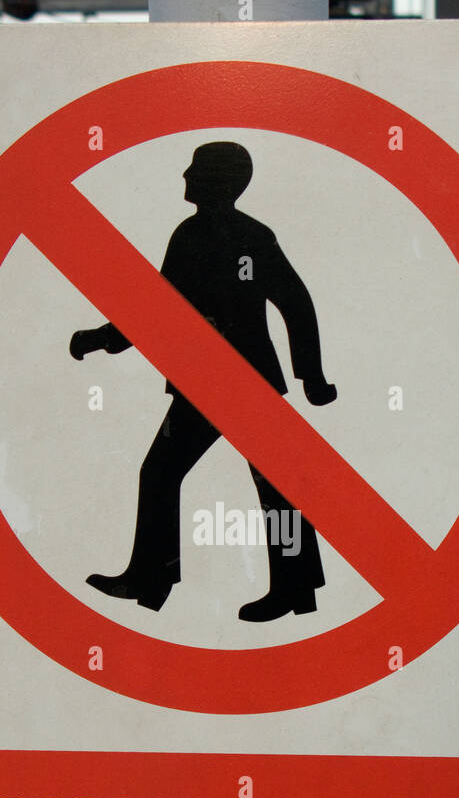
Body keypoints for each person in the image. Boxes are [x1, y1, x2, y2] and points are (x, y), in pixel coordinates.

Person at [70, 140, 337, 622]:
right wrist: (103, 338)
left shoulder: (212, 236)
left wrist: (312, 375)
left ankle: (158, 579)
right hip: (219, 379)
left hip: (229, 381)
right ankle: (162, 579)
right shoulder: (219, 234)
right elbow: (158, 309)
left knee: (205, 478)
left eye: (194, 169)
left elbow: (293, 301)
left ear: (215, 179)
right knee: (257, 483)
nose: (184, 176)